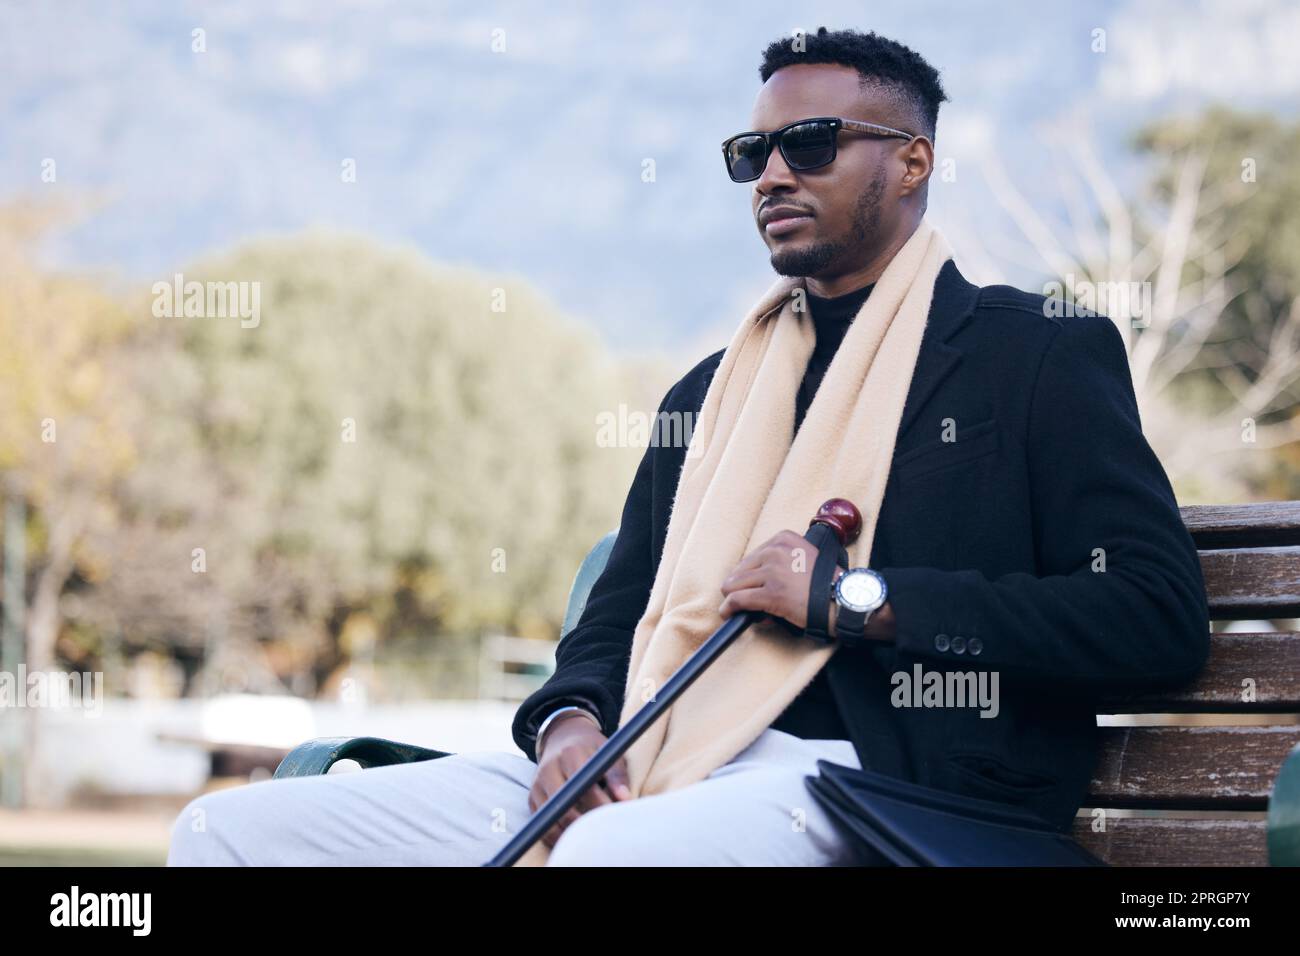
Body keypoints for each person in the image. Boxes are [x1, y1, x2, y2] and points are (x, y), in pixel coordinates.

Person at [168, 27, 1209, 867]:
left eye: (809, 144)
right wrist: (571, 724)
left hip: (886, 789)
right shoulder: (708, 392)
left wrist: (859, 597)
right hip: (658, 756)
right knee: (230, 832)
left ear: (912, 161)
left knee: (613, 855)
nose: (770, 175)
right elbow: (613, 621)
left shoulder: (1034, 357)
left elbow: (1154, 617)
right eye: (751, 154)